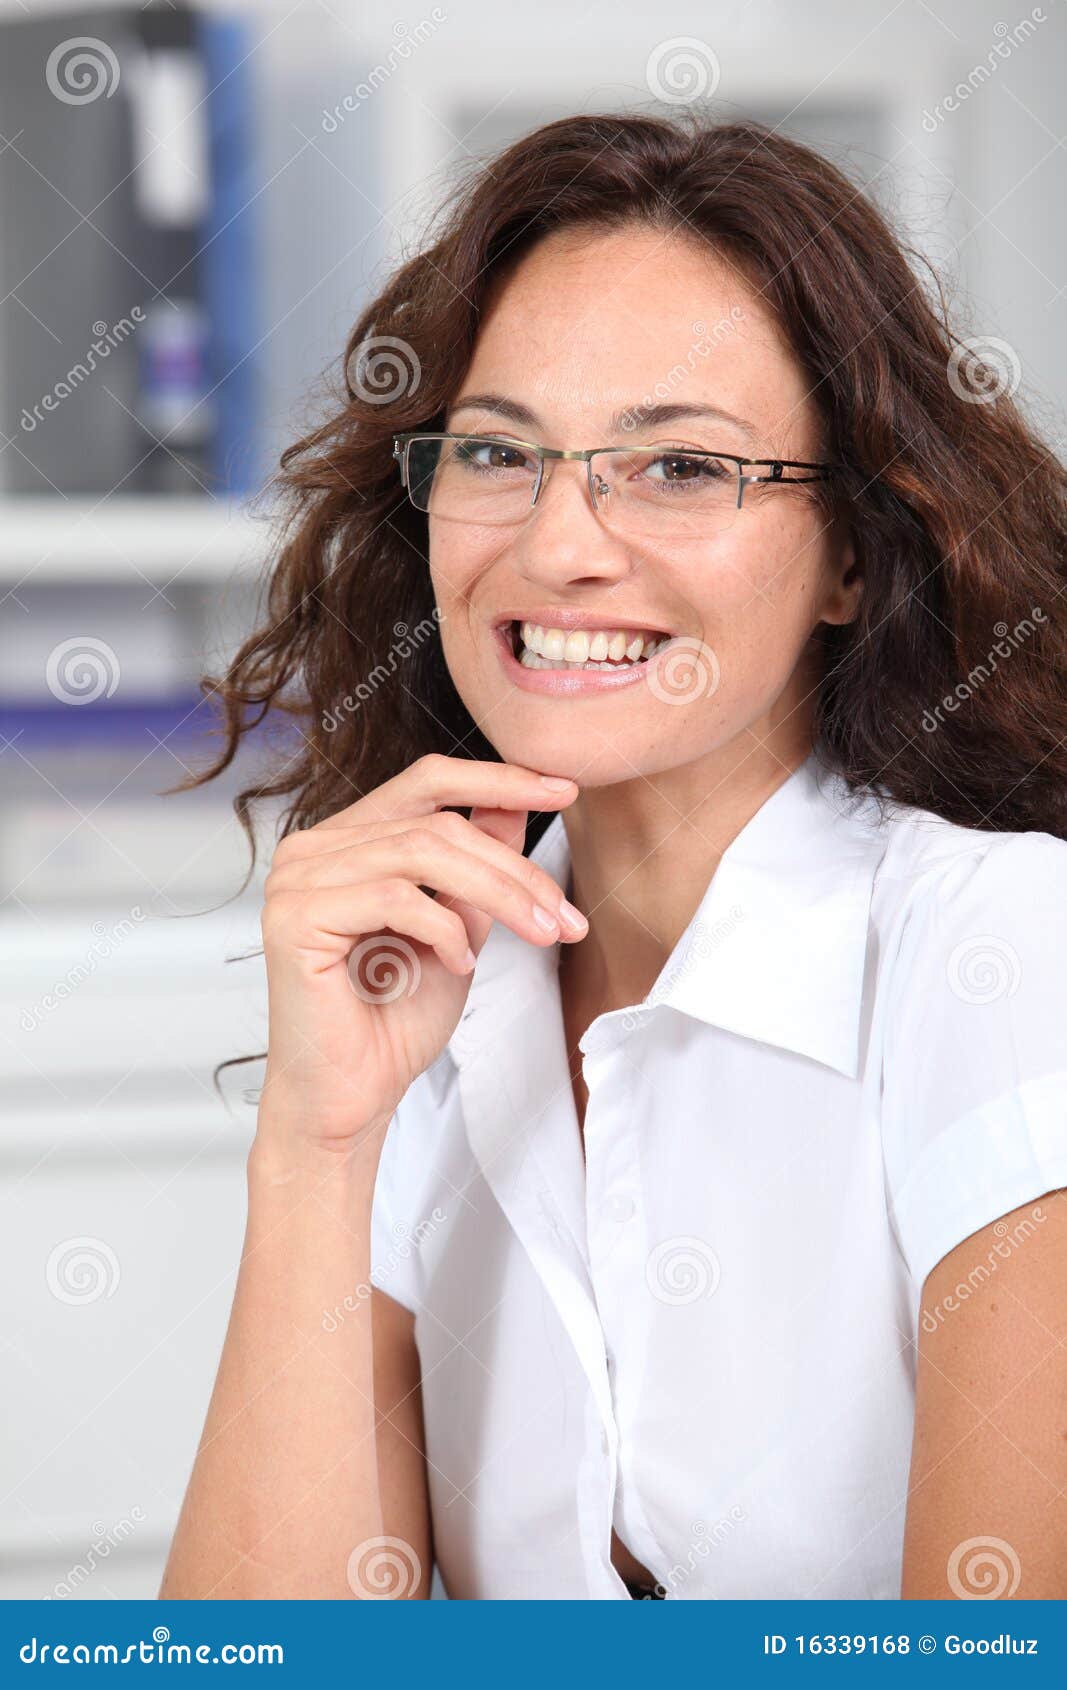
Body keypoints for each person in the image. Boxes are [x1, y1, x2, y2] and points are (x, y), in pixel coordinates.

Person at [160, 112, 1067, 1600]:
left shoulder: (999, 947)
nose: (563, 543)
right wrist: (316, 1147)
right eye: (501, 452)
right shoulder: (430, 999)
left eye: (682, 468)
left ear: (852, 554)